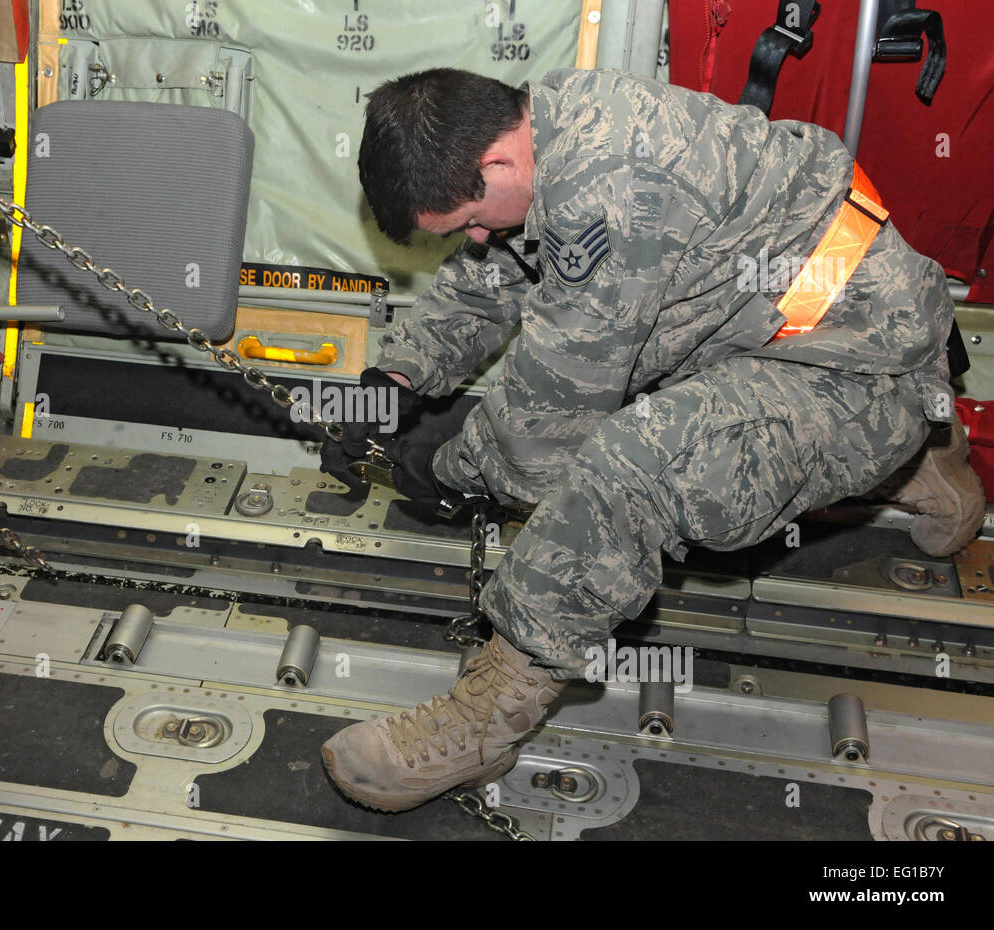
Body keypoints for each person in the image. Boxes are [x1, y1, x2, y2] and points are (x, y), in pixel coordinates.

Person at [317, 66, 985, 813]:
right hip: (786, 321)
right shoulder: (552, 125)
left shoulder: (611, 184)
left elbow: (547, 432)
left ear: (496, 159)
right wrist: (398, 380)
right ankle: (921, 452)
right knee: (638, 407)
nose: (474, 238)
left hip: (859, 364)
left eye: (468, 219)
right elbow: (494, 273)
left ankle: (485, 722)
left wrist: (447, 468)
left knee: (629, 463)